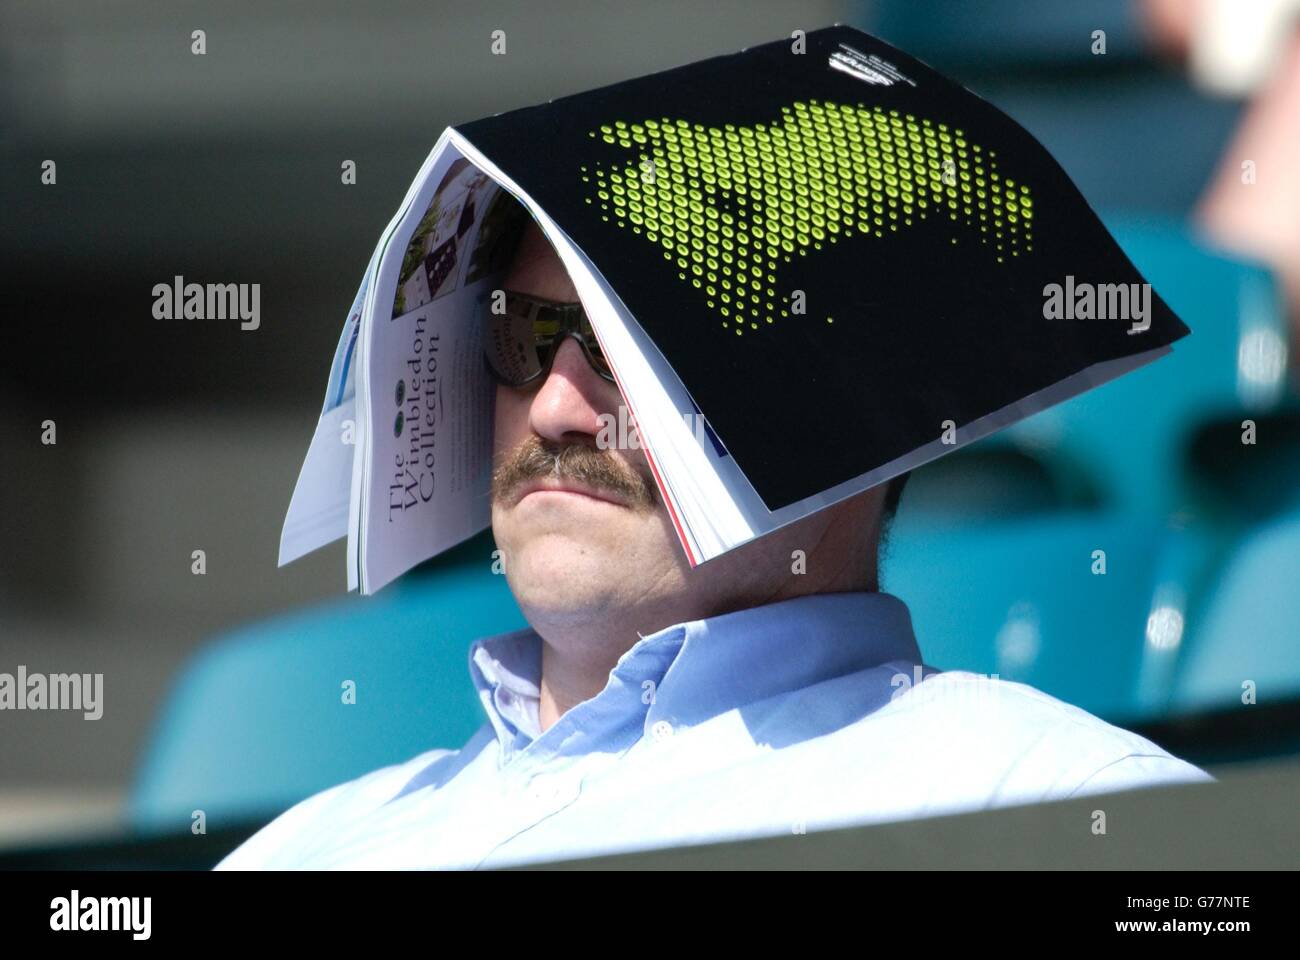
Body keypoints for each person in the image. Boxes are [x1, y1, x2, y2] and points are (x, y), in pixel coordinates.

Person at [215, 219, 1212, 870]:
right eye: (524, 333)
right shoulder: (306, 850)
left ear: (849, 417)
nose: (557, 405)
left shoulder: (1059, 808)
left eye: (632, 348)